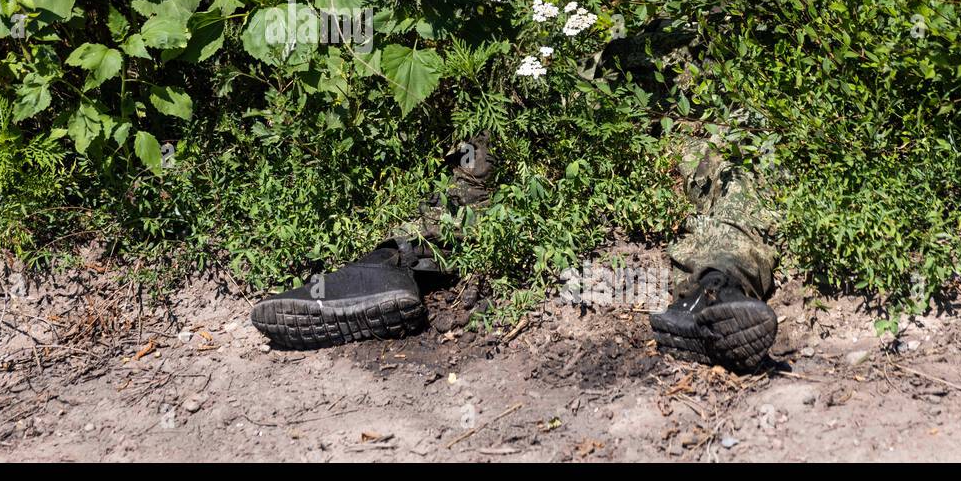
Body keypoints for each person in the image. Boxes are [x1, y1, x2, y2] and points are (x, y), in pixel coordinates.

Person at [251, 134, 780, 372]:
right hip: (561, 102)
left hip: (637, 120)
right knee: (477, 155)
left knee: (723, 165)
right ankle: (388, 266)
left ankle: (714, 293)